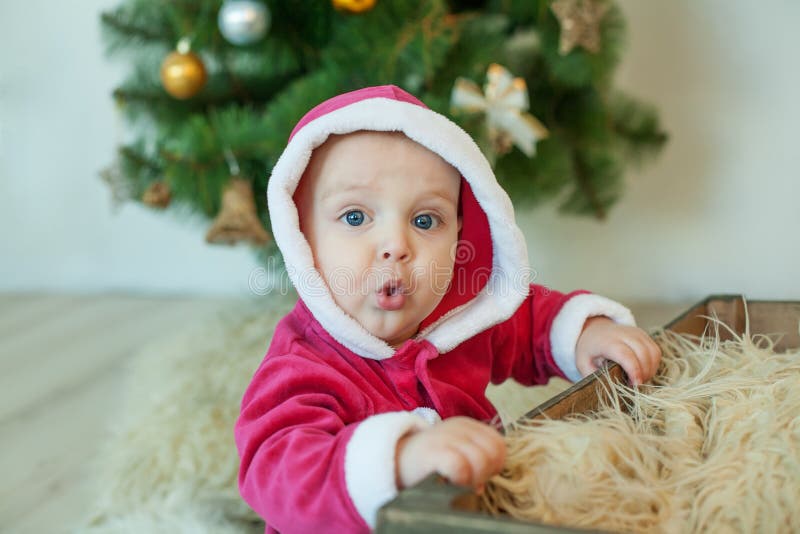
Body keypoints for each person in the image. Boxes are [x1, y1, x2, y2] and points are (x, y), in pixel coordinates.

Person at [235, 85, 661, 533]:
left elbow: (527, 319)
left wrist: (582, 333)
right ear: (302, 237)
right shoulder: (299, 366)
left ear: (460, 235)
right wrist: (399, 460)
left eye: (425, 221)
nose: (396, 247)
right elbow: (276, 469)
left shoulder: (460, 322)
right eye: (356, 217)